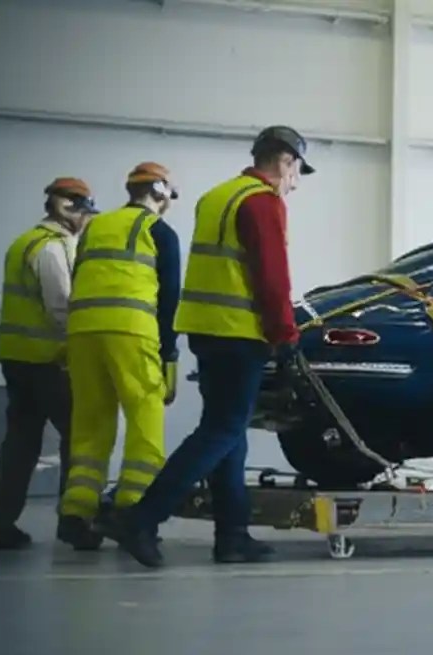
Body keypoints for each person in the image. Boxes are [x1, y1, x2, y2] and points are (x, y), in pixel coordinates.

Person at [109, 126, 313, 567]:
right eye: (297, 171)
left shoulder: (217, 196)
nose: (295, 182)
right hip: (238, 332)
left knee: (229, 432)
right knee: (221, 431)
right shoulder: (262, 201)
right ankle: (141, 519)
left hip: (205, 330)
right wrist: (286, 335)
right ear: (284, 161)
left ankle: (233, 535)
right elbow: (272, 277)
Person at [54, 163, 183, 551]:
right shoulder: (159, 231)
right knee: (146, 422)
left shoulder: (95, 227)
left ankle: (77, 513)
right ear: (159, 192)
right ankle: (132, 511)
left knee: (91, 424)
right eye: (169, 196)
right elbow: (170, 299)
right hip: (131, 331)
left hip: (83, 333)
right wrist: (169, 353)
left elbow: (79, 279)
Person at [0, 178, 98, 550]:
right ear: (73, 210)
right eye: (85, 213)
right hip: (48, 362)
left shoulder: (23, 241)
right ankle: (75, 523)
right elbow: (61, 307)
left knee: (20, 443)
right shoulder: (50, 248)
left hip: (17, 359)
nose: (86, 221)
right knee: (79, 440)